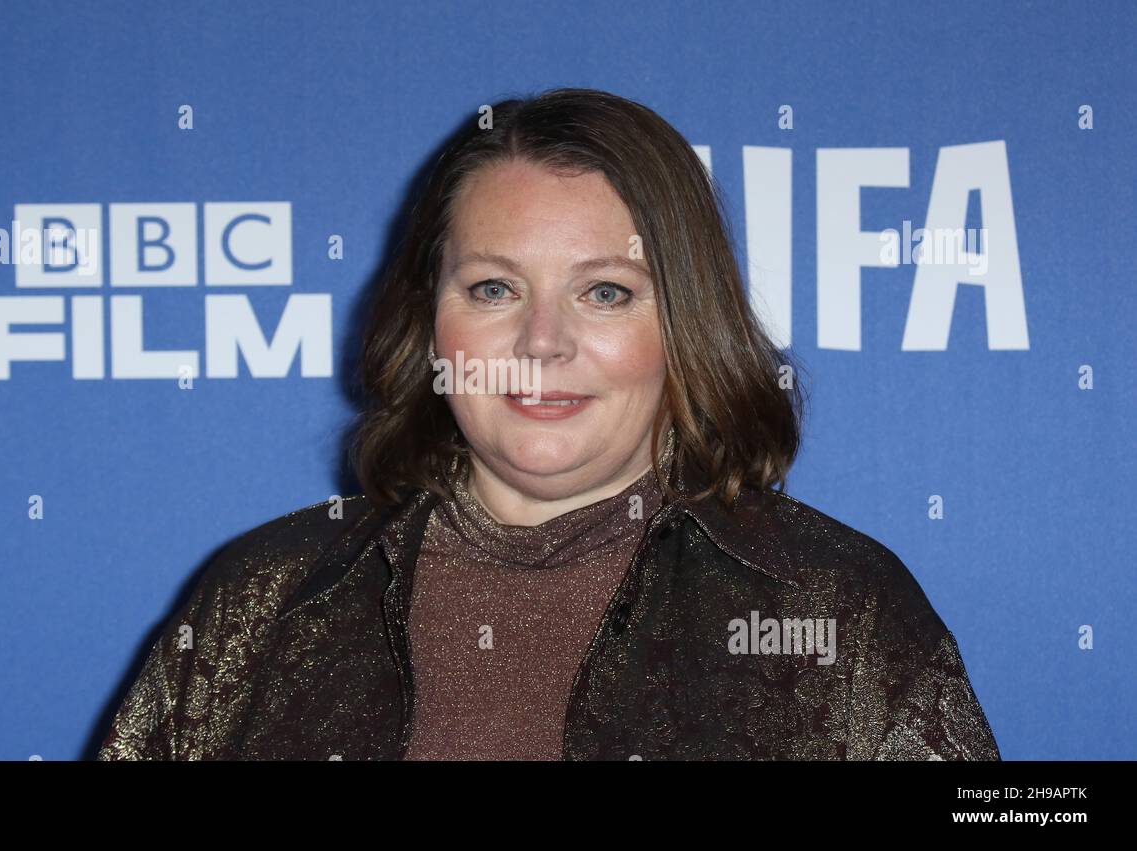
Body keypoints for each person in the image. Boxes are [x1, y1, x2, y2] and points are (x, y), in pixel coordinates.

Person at [96, 87, 1000, 761]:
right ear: (427, 319)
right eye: (494, 287)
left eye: (605, 292)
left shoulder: (839, 608)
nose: (541, 342)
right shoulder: (263, 601)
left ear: (686, 324)